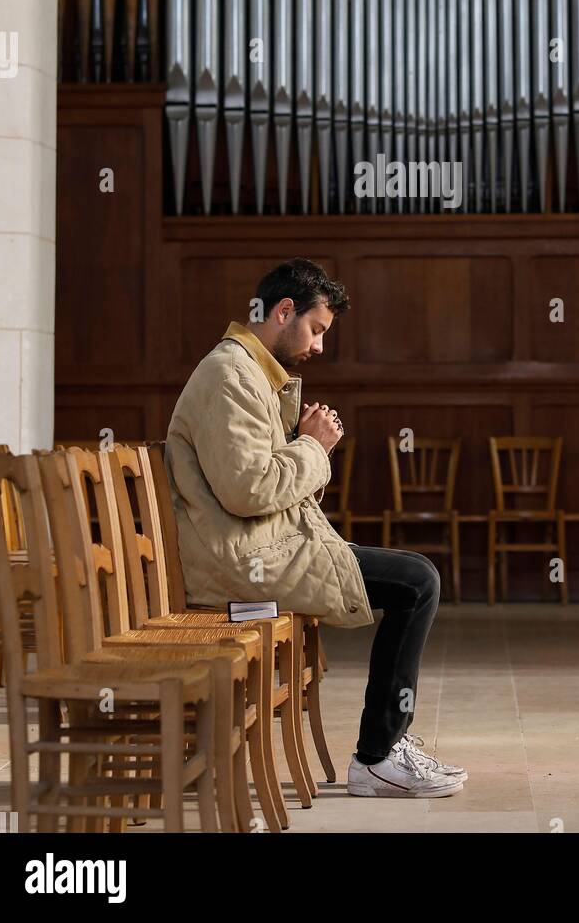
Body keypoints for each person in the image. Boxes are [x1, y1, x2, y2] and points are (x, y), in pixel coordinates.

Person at [165, 257, 466, 799]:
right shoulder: (231, 376)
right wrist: (314, 446)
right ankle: (377, 758)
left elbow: (264, 482)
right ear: (284, 311)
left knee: (415, 575)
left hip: (263, 546)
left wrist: (302, 447)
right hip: (241, 563)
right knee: (417, 582)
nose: (320, 346)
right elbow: (249, 490)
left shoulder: (250, 373)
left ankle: (384, 749)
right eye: (317, 329)